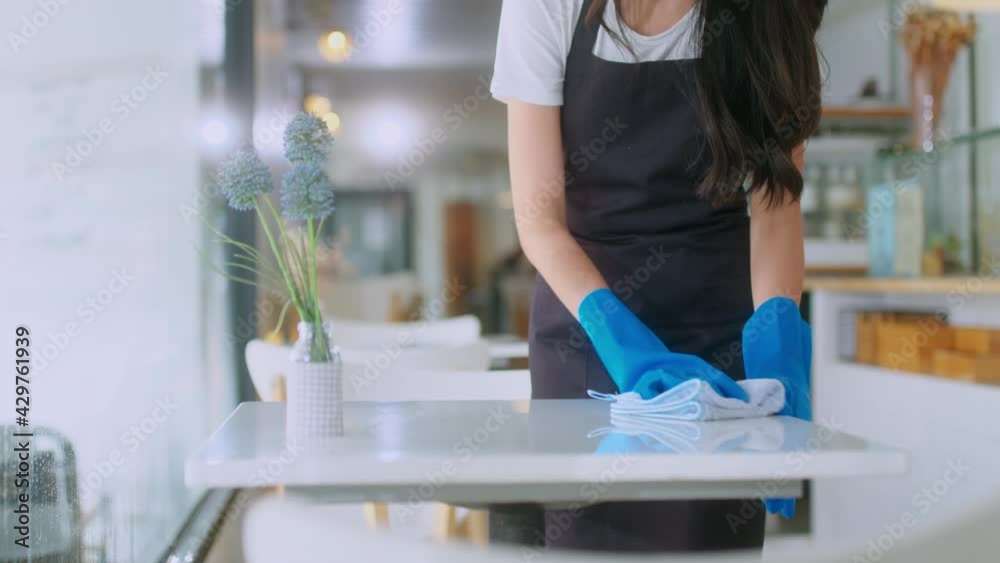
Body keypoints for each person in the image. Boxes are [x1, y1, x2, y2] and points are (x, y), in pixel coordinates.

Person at [490, 0, 827, 553]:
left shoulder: (771, 11)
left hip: (720, 345)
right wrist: (625, 344)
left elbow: (775, 203)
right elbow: (539, 223)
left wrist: (778, 338)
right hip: (588, 337)